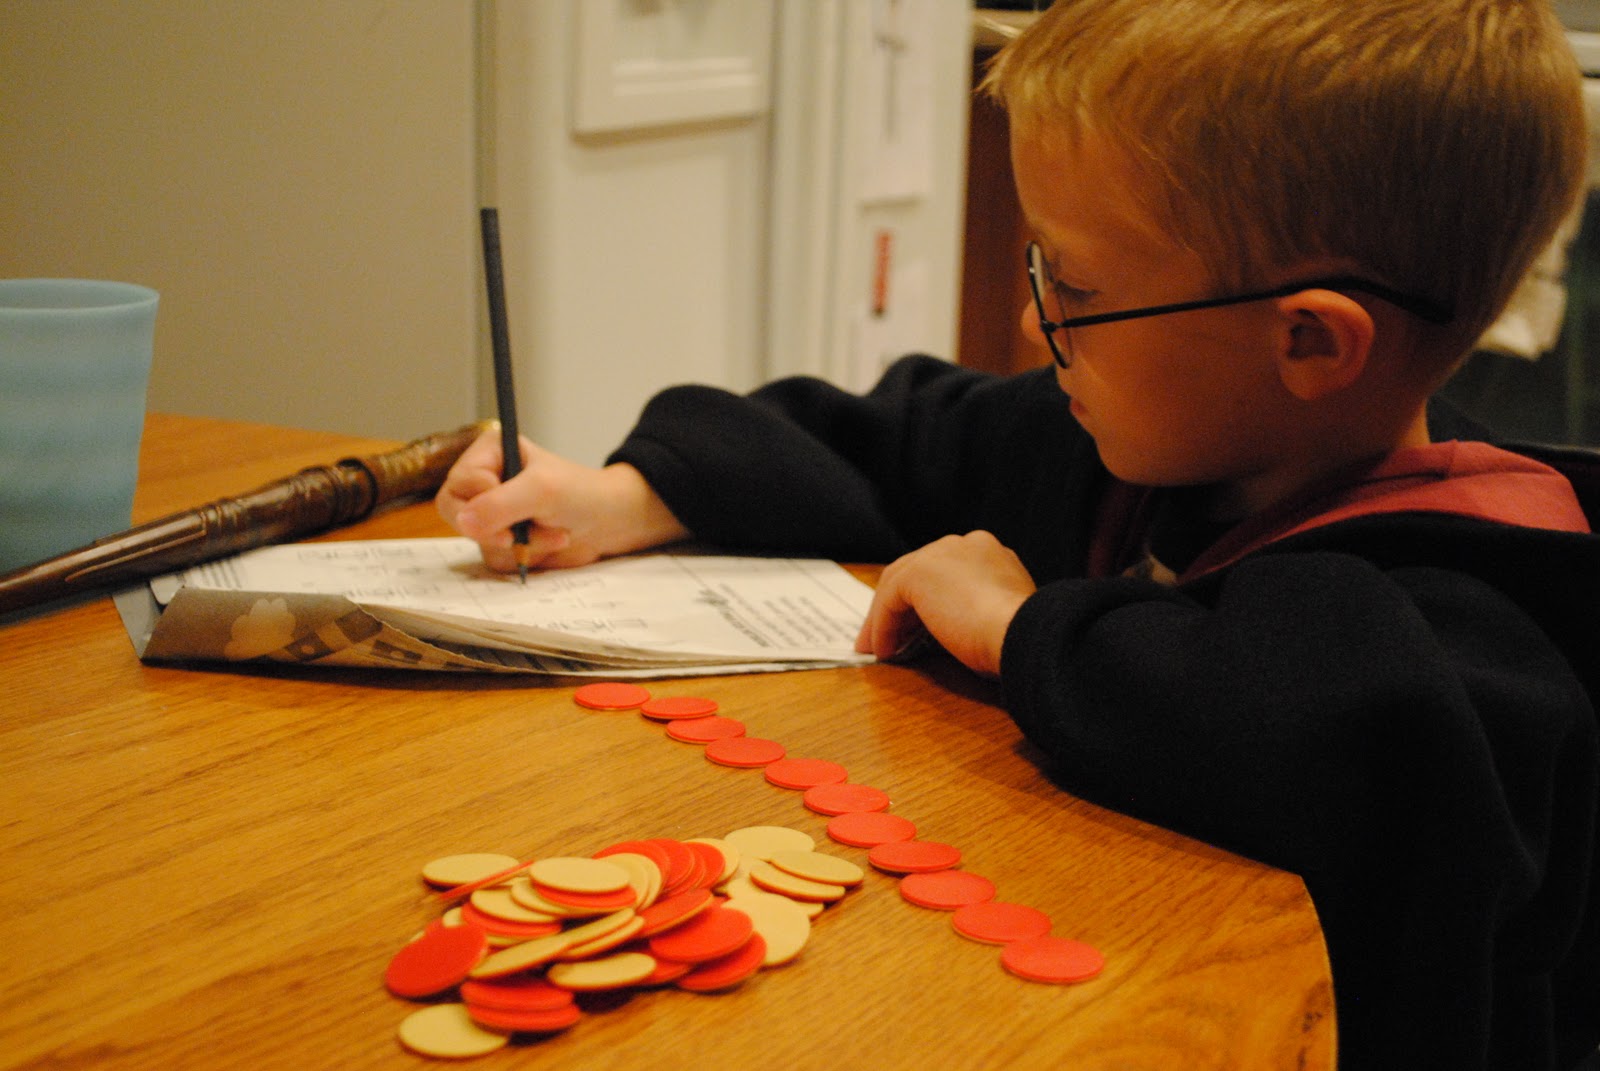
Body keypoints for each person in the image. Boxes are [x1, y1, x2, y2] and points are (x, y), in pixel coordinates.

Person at [437, 1, 1600, 1066]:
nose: (1027, 314)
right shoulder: (1158, 448)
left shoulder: (1483, 608)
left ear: (1308, 344)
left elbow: (1310, 726)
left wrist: (1019, 625)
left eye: (1078, 289)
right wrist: (641, 493)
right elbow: (902, 436)